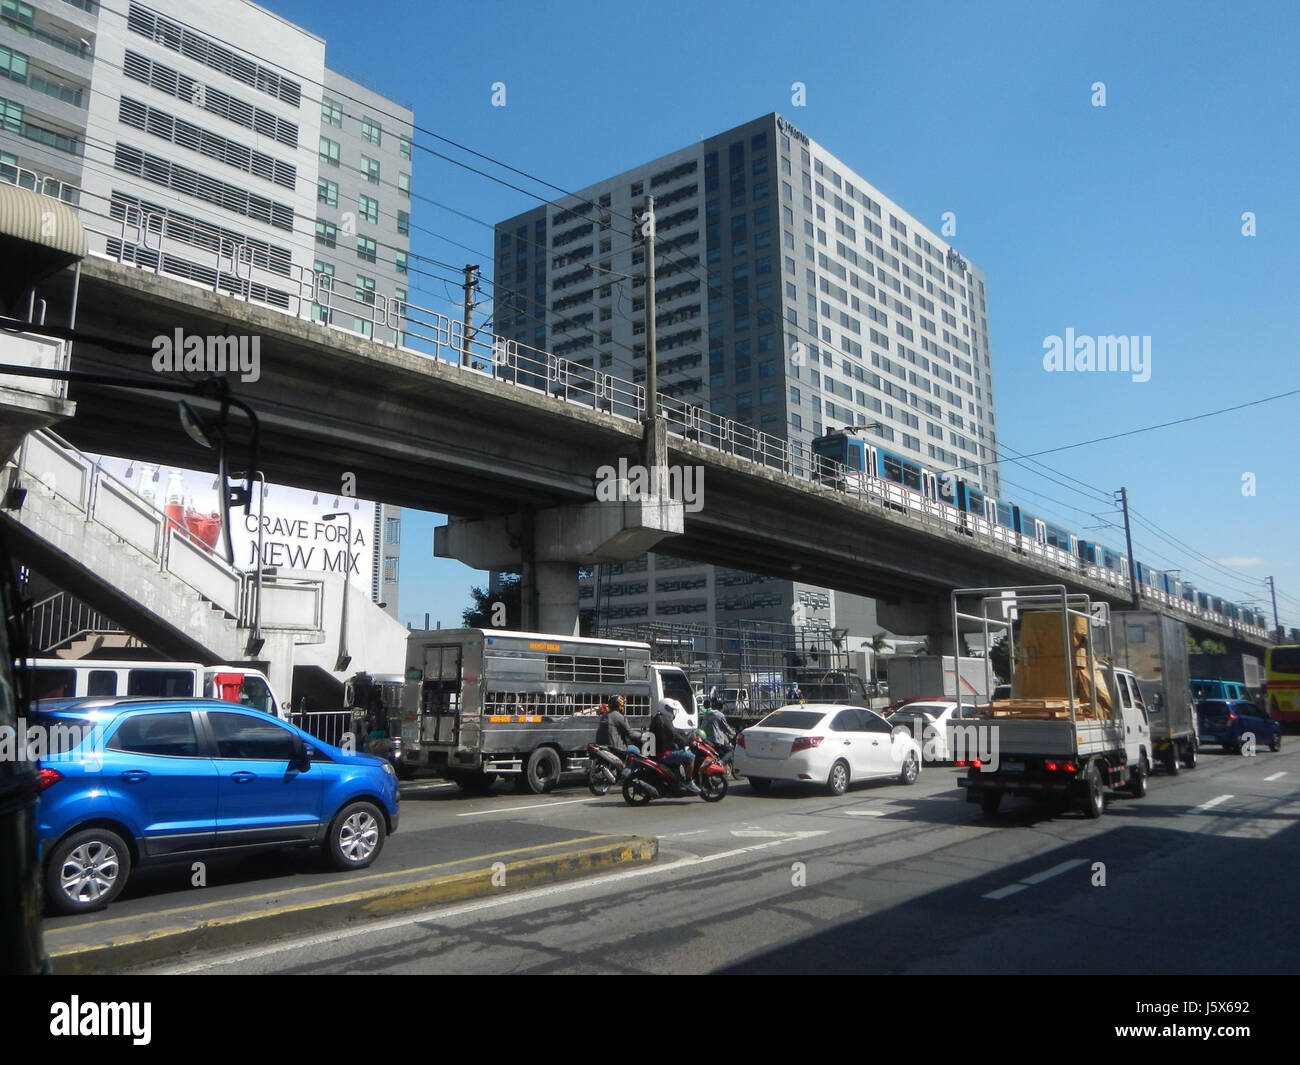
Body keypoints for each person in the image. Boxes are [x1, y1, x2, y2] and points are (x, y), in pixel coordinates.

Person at [650, 698, 699, 793]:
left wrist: (685, 732)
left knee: (681, 752)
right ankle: (689, 782)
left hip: (660, 750)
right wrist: (688, 741)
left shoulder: (660, 718)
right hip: (664, 753)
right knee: (690, 757)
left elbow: (674, 730)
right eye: (671, 710)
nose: (673, 712)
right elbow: (675, 736)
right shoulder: (664, 720)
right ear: (666, 708)